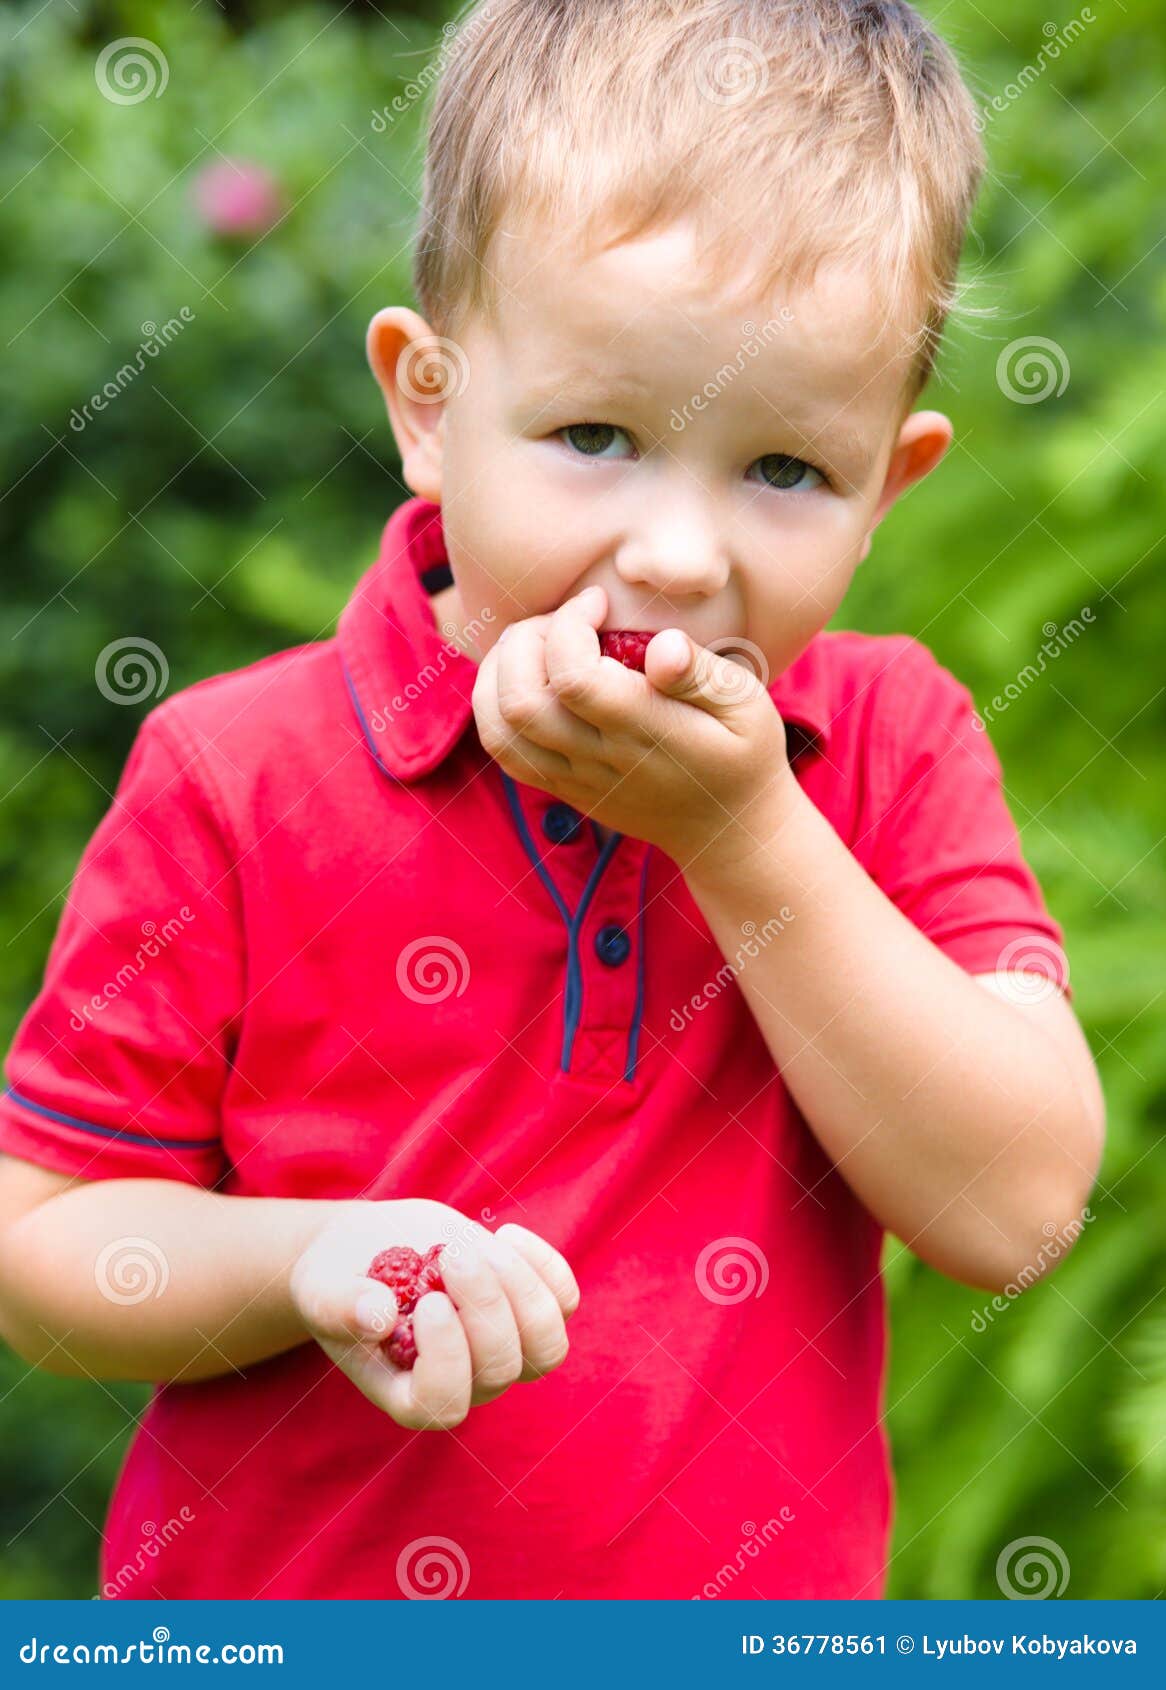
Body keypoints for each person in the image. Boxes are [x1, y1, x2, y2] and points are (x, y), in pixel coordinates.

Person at [0, 0, 1104, 1599]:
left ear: (889, 485)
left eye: (786, 470)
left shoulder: (885, 747)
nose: (675, 555)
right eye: (595, 435)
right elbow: (44, 1249)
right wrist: (307, 1258)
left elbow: (1012, 1206)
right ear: (426, 404)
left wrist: (741, 836)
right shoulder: (236, 776)